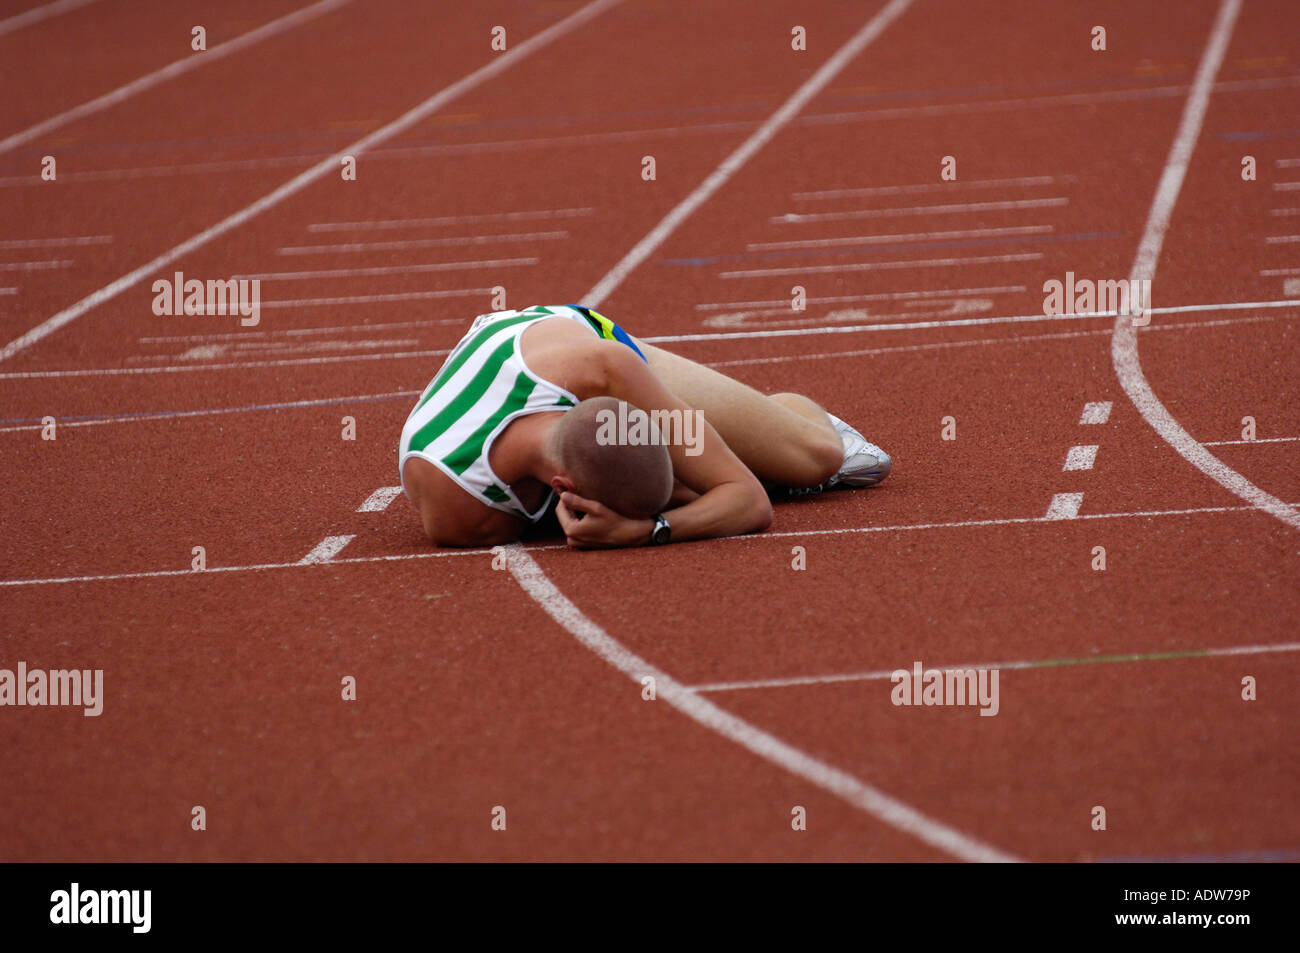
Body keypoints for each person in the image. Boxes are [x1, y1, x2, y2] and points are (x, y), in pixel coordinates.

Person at [398, 304, 891, 549]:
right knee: (689, 491)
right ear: (563, 487)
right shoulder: (461, 513)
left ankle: (784, 415)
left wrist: (649, 529)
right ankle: (733, 440)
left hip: (568, 336)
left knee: (814, 461)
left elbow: (749, 501)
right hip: (511, 374)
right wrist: (680, 500)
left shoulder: (610, 370)